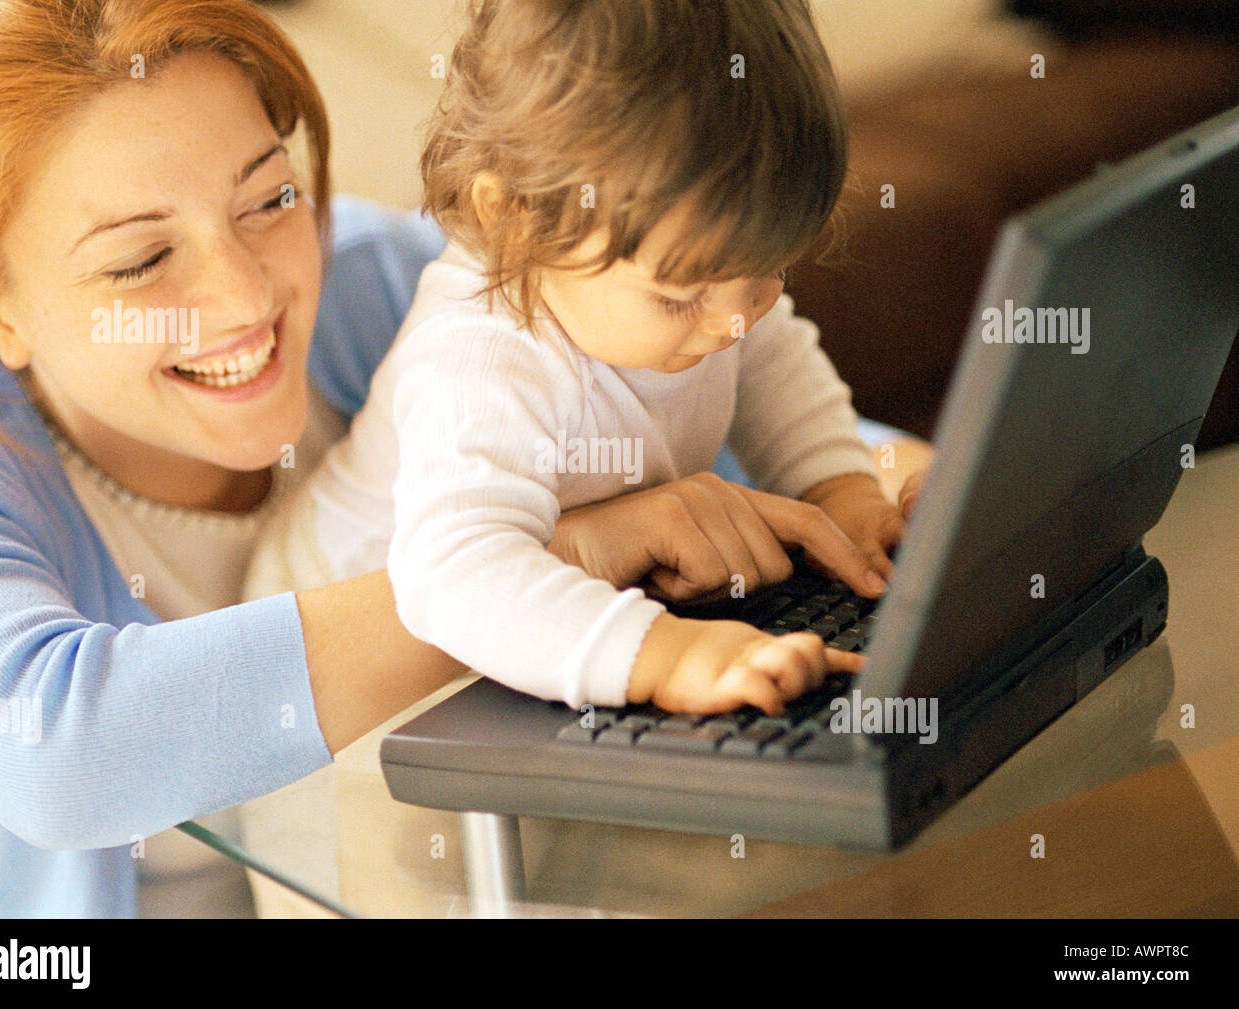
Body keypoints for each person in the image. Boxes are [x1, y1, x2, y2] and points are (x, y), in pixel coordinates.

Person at [0, 0, 915, 917]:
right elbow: (62, 748)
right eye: (142, 261)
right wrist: (559, 559)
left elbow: (654, 354)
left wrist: (878, 479)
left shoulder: (369, 280)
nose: (246, 297)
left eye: (270, 196)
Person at [245, 0, 920, 715]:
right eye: (678, 298)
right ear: (515, 220)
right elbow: (455, 577)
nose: (734, 321)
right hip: (347, 713)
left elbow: (774, 365)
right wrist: (669, 654)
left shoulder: (703, 291)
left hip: (531, 637)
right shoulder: (482, 360)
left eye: (768, 272)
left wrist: (839, 490)